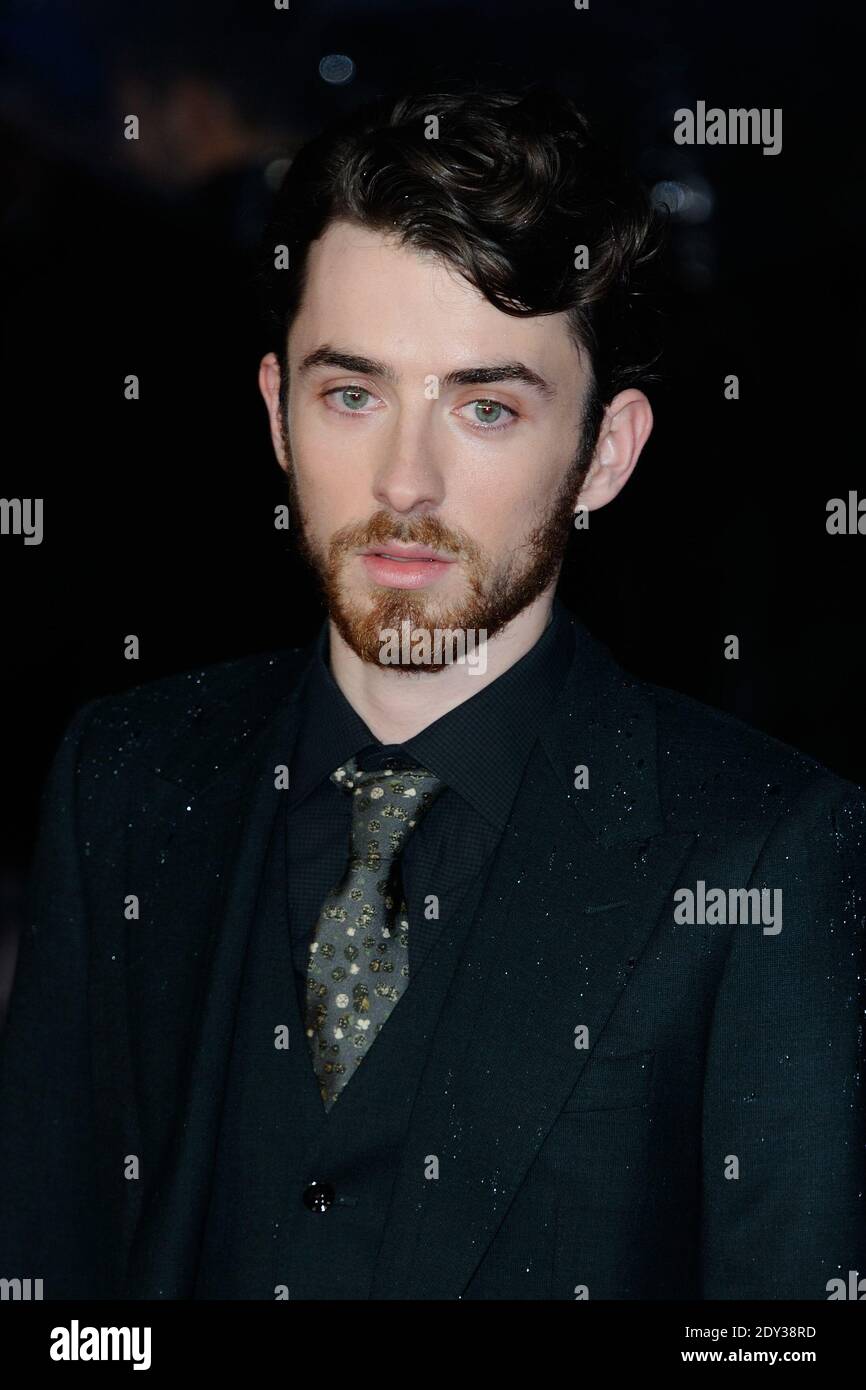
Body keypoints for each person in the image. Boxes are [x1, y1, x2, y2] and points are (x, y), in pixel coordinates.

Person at [0, 83, 863, 1301]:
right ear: (276, 414)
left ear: (603, 453)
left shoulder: (767, 848)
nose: (403, 480)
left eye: (485, 405)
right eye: (351, 394)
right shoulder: (123, 777)